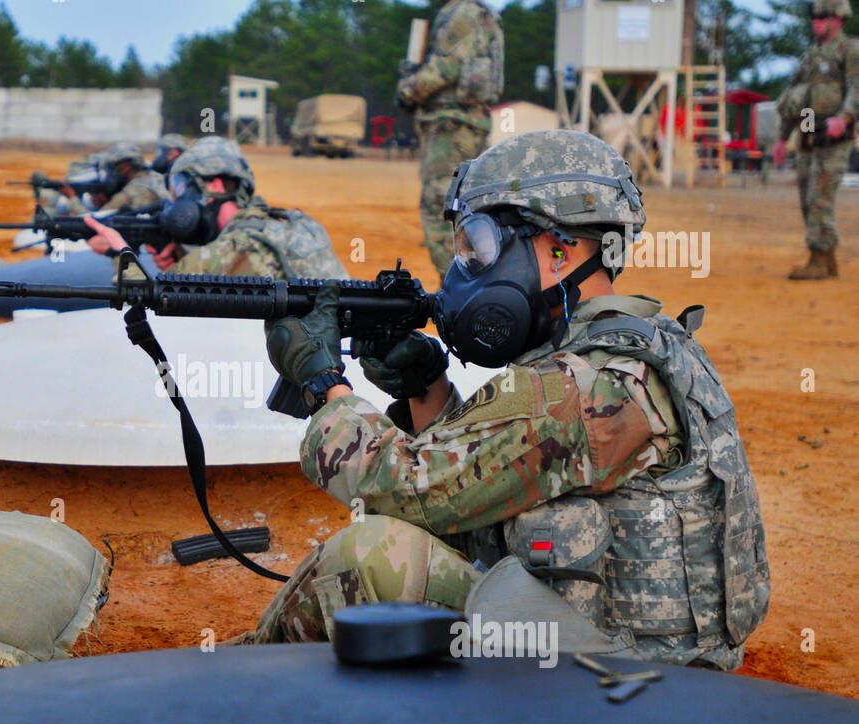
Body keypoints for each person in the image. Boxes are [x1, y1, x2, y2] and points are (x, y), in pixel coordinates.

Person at [247, 129, 770, 672]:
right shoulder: (644, 344)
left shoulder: (580, 388)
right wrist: (426, 387)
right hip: (644, 661)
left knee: (369, 555)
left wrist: (322, 383)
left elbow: (406, 491)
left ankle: (235, 683)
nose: (467, 268)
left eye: (481, 245)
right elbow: (480, 488)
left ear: (558, 250)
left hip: (616, 685)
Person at [84, 135, 348, 279]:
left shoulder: (237, 248)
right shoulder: (287, 224)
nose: (177, 200)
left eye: (182, 187)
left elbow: (149, 300)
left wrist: (119, 253)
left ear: (216, 185)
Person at [396, 0, 504, 281]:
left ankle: (457, 284)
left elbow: (447, 68)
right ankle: (471, 282)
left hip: (451, 125)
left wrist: (409, 90)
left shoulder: (462, 14)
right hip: (463, 124)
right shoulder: (480, 12)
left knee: (440, 206)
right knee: (464, 206)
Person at [773, 0, 859, 279]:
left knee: (820, 198)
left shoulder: (849, 50)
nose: (816, 21)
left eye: (823, 16)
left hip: (835, 135)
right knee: (808, 199)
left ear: (839, 19)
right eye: (814, 16)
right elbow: (797, 95)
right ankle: (826, 258)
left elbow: (856, 89)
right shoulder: (811, 55)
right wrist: (782, 137)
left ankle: (819, 258)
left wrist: (844, 118)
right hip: (809, 133)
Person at [56, 142, 169, 215]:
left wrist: (71, 197)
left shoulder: (131, 192)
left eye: (111, 167)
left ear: (125, 167)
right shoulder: (157, 178)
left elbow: (96, 223)